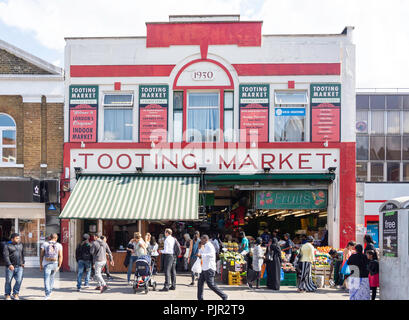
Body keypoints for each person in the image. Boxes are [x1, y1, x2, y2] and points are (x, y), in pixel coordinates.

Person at [197, 235, 228, 300]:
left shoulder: (210, 246)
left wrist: (202, 255)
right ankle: (200, 298)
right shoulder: (205, 246)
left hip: (209, 268)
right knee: (200, 282)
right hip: (205, 268)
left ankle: (224, 296)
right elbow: (201, 253)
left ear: (205, 239)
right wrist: (200, 250)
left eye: (202, 239)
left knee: (211, 284)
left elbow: (211, 254)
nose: (201, 241)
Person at [40, 233, 63, 300]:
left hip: (46, 264)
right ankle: (50, 291)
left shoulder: (44, 244)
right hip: (54, 263)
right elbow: (60, 256)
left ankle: (47, 294)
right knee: (52, 278)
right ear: (56, 238)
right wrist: (59, 265)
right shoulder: (59, 245)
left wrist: (41, 265)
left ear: (50, 237)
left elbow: (41, 255)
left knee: (46, 279)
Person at [3, 233, 24, 300]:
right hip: (10, 267)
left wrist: (23, 262)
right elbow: (5, 256)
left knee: (19, 280)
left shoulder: (20, 245)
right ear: (12, 239)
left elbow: (22, 254)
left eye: (19, 238)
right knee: (8, 281)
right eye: (17, 238)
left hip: (19, 266)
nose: (18, 239)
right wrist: (9, 264)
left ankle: (15, 293)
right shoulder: (7, 245)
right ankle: (7, 294)